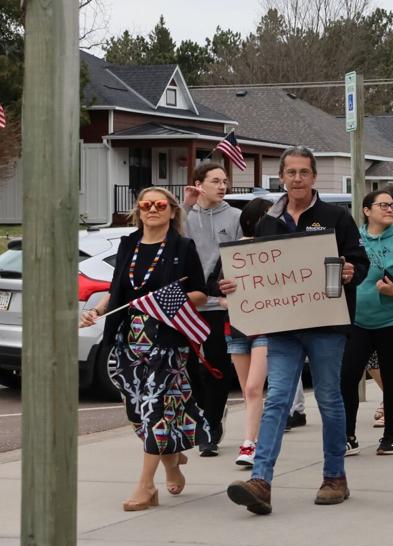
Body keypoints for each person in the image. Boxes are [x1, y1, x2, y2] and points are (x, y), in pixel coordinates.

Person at [222, 145, 367, 516]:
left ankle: (335, 476)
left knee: (330, 399)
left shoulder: (335, 216)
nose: (298, 179)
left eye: (304, 172)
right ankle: (261, 480)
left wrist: (351, 271)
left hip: (326, 323)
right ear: (282, 177)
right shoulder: (269, 219)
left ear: (314, 177)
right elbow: (256, 270)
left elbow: (359, 262)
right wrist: (233, 285)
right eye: (291, 173)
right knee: (277, 399)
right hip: (283, 326)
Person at [78, 187, 210, 511]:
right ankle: (170, 461)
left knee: (156, 409)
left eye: (160, 204)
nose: (153, 209)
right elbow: (117, 289)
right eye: (146, 205)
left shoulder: (182, 247)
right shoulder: (128, 245)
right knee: (137, 413)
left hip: (166, 342)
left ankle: (145, 486)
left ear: (172, 210)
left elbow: (200, 293)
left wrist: (165, 302)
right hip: (128, 339)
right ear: (138, 210)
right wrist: (96, 310)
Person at [341, 185, 393, 457]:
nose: (391, 209)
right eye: (384, 205)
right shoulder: (354, 241)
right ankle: (348, 435)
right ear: (367, 211)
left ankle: (390, 436)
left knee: (390, 379)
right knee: (348, 377)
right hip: (357, 320)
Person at [183, 161, 241, 458]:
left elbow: (242, 258)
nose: (222, 186)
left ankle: (212, 426)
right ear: (198, 183)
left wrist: (231, 292)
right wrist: (185, 208)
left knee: (215, 368)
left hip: (219, 305)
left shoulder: (234, 216)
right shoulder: (184, 217)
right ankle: (202, 417)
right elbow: (171, 246)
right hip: (188, 305)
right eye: (215, 181)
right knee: (190, 368)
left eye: (224, 181)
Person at [228, 197, 275, 467]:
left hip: (266, 325)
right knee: (248, 391)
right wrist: (222, 295)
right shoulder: (233, 250)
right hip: (236, 326)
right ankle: (255, 436)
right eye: (268, 216)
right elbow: (212, 281)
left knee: (254, 387)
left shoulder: (275, 249)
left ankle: (249, 444)